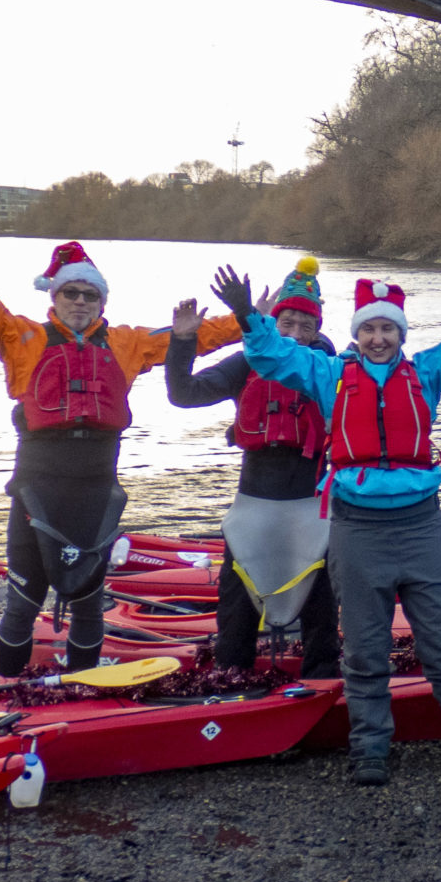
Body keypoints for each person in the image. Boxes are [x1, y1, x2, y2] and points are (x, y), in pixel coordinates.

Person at [208, 223, 441, 786]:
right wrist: (246, 316)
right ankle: (370, 746)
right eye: (370, 329)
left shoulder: (425, 373)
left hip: (419, 524)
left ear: (400, 333)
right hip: (357, 526)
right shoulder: (329, 374)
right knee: (363, 643)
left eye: (388, 329)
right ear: (356, 334)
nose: (379, 338)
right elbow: (271, 356)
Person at [0, 194, 242, 675]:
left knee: (87, 598)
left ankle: (84, 689)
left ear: (102, 301)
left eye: (90, 295)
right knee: (23, 598)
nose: (80, 302)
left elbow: (199, 336)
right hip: (37, 484)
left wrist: (252, 320)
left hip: (95, 487)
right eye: (71, 294)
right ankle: (9, 690)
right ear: (54, 297)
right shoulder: (20, 336)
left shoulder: (127, 343)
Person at [165, 256, 339, 678]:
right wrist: (183, 341)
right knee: (237, 603)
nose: (296, 335)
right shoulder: (247, 364)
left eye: (306, 326)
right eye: (287, 324)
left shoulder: (332, 370)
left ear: (317, 331)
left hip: (311, 506)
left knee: (319, 603)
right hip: (253, 505)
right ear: (273, 325)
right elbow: (184, 394)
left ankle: (322, 678)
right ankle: (232, 676)